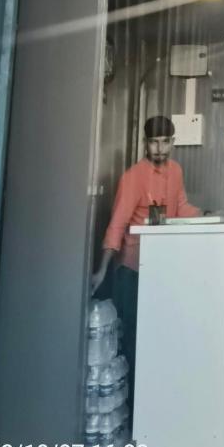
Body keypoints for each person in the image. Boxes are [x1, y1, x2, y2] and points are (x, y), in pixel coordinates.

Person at [90, 115, 201, 389]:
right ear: (145, 143)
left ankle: (156, 400)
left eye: (165, 142)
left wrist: (209, 217)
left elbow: (181, 206)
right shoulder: (133, 178)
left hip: (164, 269)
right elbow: (117, 224)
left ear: (173, 143)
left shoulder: (176, 171)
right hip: (133, 271)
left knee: (159, 337)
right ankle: (134, 409)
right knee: (133, 340)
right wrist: (103, 270)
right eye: (154, 143)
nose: (160, 149)